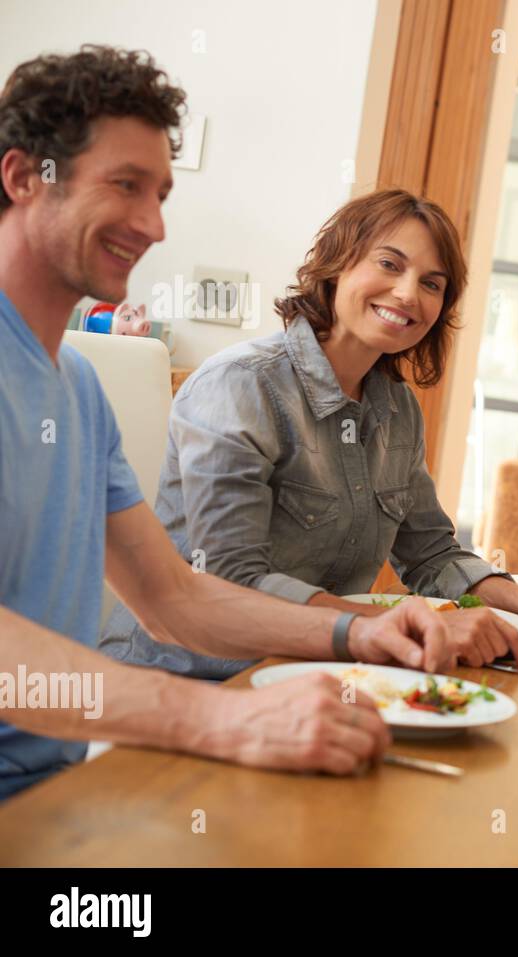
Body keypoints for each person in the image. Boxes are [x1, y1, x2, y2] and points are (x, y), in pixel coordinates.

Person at [0, 45, 451, 798]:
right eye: (126, 185)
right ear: (22, 178)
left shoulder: (75, 388)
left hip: (54, 789)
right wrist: (223, 719)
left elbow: (172, 597)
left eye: (162, 193)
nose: (154, 224)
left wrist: (357, 632)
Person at [100, 188, 518, 679]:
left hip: (309, 672)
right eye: (389, 264)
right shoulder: (240, 384)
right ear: (337, 264)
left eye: (432, 283)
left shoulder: (397, 407)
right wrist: (397, 626)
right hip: (184, 678)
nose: (408, 294)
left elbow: (430, 552)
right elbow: (233, 580)